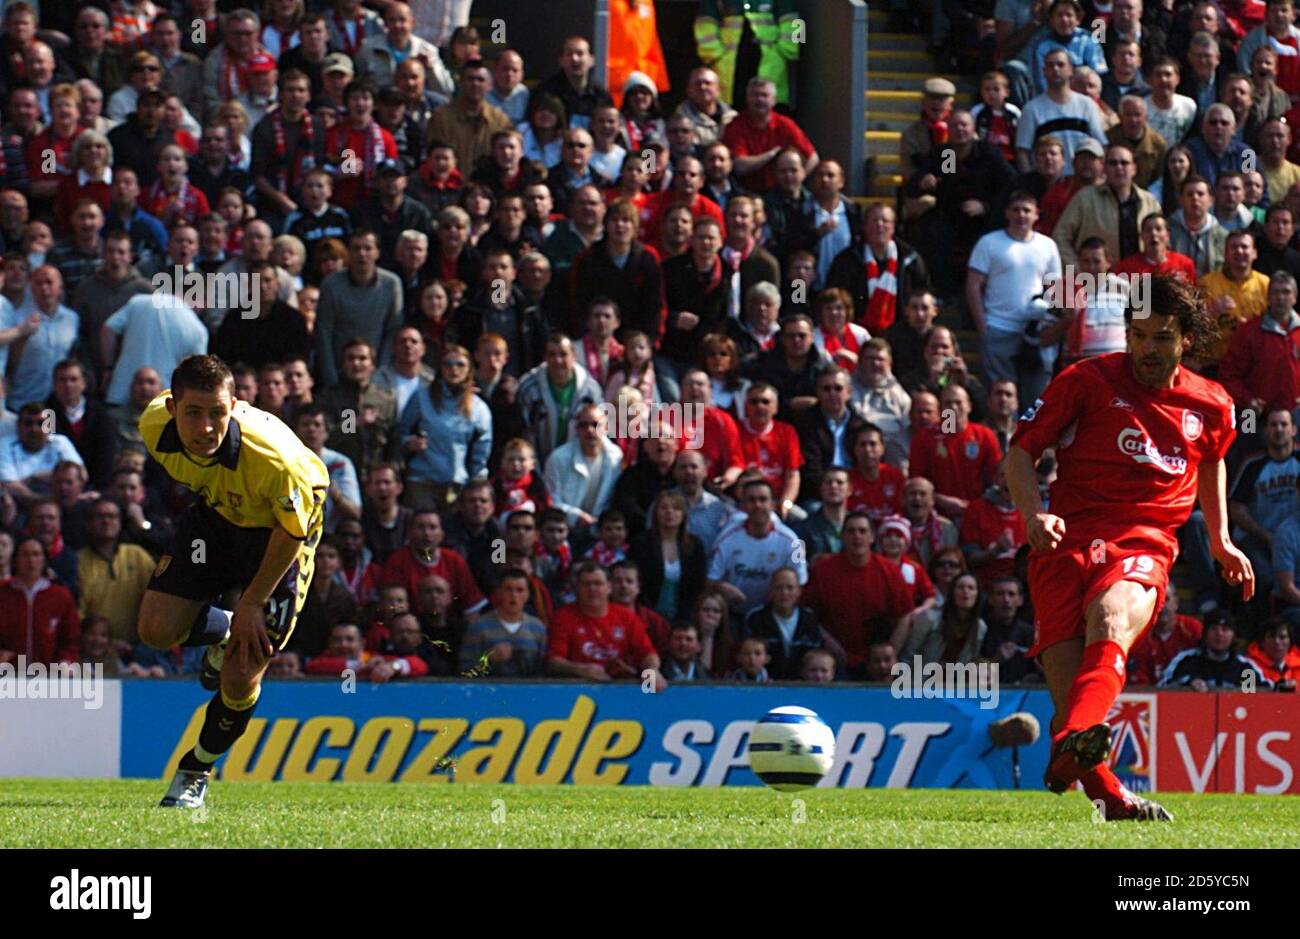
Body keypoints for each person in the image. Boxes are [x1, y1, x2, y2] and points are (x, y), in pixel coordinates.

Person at [1005, 272, 1251, 821]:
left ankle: (1076, 739)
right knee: (1072, 707)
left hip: (1144, 541)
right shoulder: (1084, 381)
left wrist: (1221, 539)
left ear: (1185, 339)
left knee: (1112, 616)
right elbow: (1019, 454)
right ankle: (1111, 796)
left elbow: (1212, 457)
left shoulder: (1211, 403)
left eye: (1161, 337)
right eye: (1137, 335)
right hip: (1063, 543)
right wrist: (1031, 515)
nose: (1146, 348)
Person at [134, 355, 328, 810]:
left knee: (239, 678)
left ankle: (195, 770)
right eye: (193, 413)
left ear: (235, 405)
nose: (206, 427)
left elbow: (291, 532)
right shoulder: (151, 426)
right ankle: (221, 629)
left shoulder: (274, 460)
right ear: (171, 407)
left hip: (281, 535)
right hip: (218, 519)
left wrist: (252, 604)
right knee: (155, 631)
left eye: (218, 413)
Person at [802, 510, 913, 676]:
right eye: (851, 531)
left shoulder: (889, 571)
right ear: (843, 536)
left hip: (878, 664)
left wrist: (889, 655)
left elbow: (904, 615)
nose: (857, 536)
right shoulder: (823, 570)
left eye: (862, 531)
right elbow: (807, 612)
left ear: (872, 537)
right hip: (834, 659)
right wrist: (829, 643)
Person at [395, 343, 493, 508]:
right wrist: (408, 442)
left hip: (457, 486)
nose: (454, 369)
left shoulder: (478, 408)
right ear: (440, 368)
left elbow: (481, 451)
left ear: (469, 369)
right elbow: (399, 432)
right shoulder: (422, 398)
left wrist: (477, 482)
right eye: (448, 364)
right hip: (422, 482)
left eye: (460, 364)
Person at [546, 560, 664, 687]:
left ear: (609, 587)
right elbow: (553, 663)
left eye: (598, 584)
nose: (592, 589)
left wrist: (652, 671)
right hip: (578, 688)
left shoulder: (627, 616)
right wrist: (581, 670)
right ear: (577, 588)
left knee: (654, 690)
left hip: (620, 689)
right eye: (586, 584)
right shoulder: (563, 617)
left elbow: (647, 653)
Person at [720, 76, 817, 193]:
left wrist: (796, 180)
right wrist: (771, 155)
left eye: (764, 95)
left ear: (774, 101)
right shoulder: (735, 126)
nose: (759, 99)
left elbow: (813, 158)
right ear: (747, 99)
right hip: (747, 192)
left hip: (781, 193)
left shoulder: (785, 124)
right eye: (755, 95)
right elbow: (740, 166)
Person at [543, 401, 623, 530]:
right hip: (564, 529)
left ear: (606, 427)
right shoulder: (558, 458)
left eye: (595, 425)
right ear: (576, 429)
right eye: (583, 425)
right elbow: (551, 498)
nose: (590, 430)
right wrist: (576, 516)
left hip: (602, 530)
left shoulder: (615, 457)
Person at [0, 537, 80, 665]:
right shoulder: (3, 592)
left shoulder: (60, 596)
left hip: (50, 675)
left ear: (44, 560)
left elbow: (71, 639)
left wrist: (66, 661)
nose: (31, 560)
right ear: (16, 559)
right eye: (25, 554)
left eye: (36, 554)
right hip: (7, 675)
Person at [458, 568, 548, 677]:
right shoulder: (478, 627)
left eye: (519, 590)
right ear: (499, 592)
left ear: (527, 594)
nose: (514, 595)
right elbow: (464, 672)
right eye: (508, 589)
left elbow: (544, 671)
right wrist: (488, 658)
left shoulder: (537, 628)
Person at [1159, 609, 1267, 690]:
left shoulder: (1244, 669)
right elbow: (1162, 685)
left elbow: (1266, 692)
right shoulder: (1187, 661)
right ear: (1205, 634)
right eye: (1214, 629)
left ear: (1233, 636)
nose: (1219, 634)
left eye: (1225, 629)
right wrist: (1187, 682)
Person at [1126, 591, 1203, 685]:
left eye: (1166, 599)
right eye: (1156, 599)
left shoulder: (1192, 628)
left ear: (1176, 602)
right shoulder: (1139, 632)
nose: (1161, 605)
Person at [1244, 616, 1300, 690]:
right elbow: (1247, 697)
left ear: (1290, 642)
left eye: (1282, 637)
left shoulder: (1298, 666)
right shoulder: (1247, 667)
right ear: (1262, 642)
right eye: (1271, 636)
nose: (1277, 642)